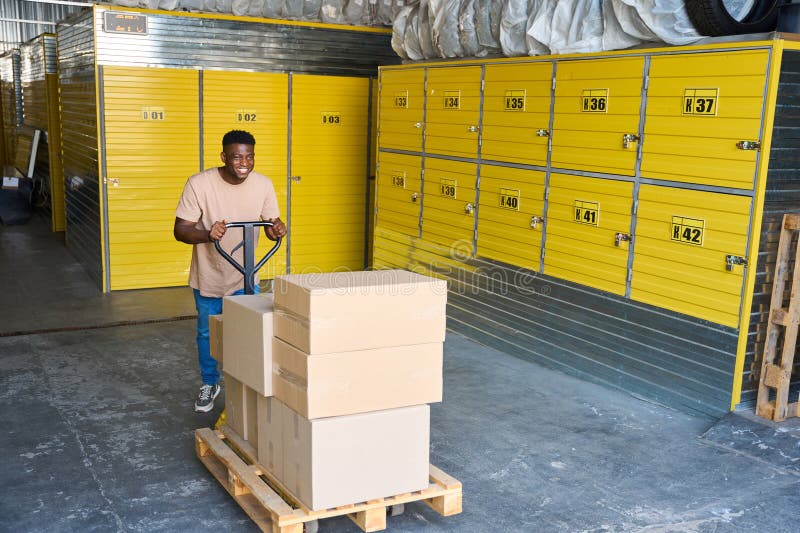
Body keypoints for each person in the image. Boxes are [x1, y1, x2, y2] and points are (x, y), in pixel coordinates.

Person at [174, 129, 287, 412]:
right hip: (210, 275)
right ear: (224, 156)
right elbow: (181, 230)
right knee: (207, 333)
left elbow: (273, 221)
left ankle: (247, 383)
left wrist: (277, 229)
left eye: (249, 157)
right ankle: (209, 383)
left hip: (246, 275)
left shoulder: (262, 184)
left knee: (249, 331)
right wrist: (207, 234)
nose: (244, 163)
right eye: (237, 157)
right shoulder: (199, 184)